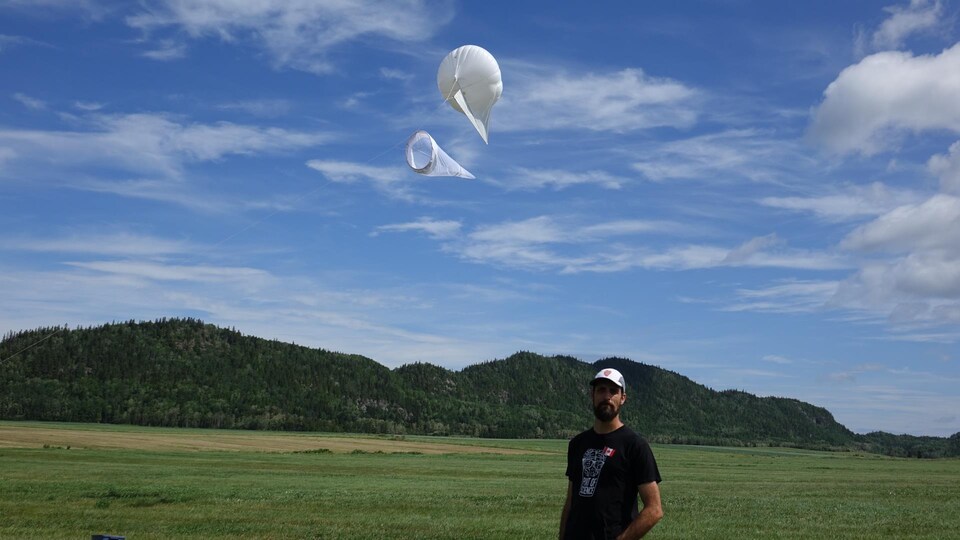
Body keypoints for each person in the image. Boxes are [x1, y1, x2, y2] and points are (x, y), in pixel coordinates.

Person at [559, 368, 663, 540]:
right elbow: (571, 502)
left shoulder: (635, 446)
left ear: (623, 398)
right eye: (601, 390)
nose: (606, 396)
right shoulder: (577, 444)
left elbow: (654, 509)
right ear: (592, 395)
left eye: (613, 391)